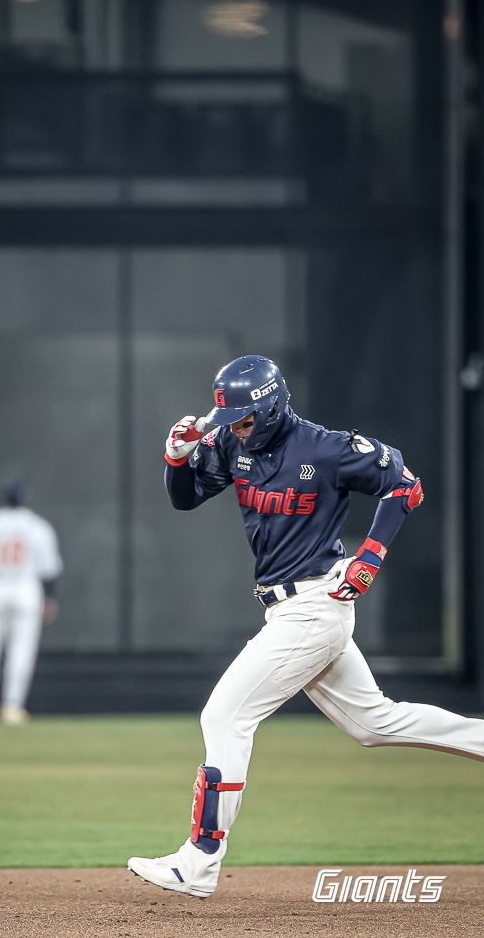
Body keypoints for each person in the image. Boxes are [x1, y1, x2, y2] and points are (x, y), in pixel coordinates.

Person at [128, 354, 484, 899]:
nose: (236, 429)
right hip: (288, 609)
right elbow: (186, 499)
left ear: (271, 407)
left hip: (315, 606)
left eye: (244, 419)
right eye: (230, 421)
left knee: (224, 716)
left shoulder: (326, 448)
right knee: (374, 723)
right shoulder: (230, 444)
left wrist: (371, 556)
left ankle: (199, 861)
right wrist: (177, 459)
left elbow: (405, 485)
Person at [0, 482, 62, 725]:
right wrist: (49, 598)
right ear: (25, 501)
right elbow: (50, 570)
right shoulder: (38, 526)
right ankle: (12, 707)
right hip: (27, 589)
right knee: (22, 651)